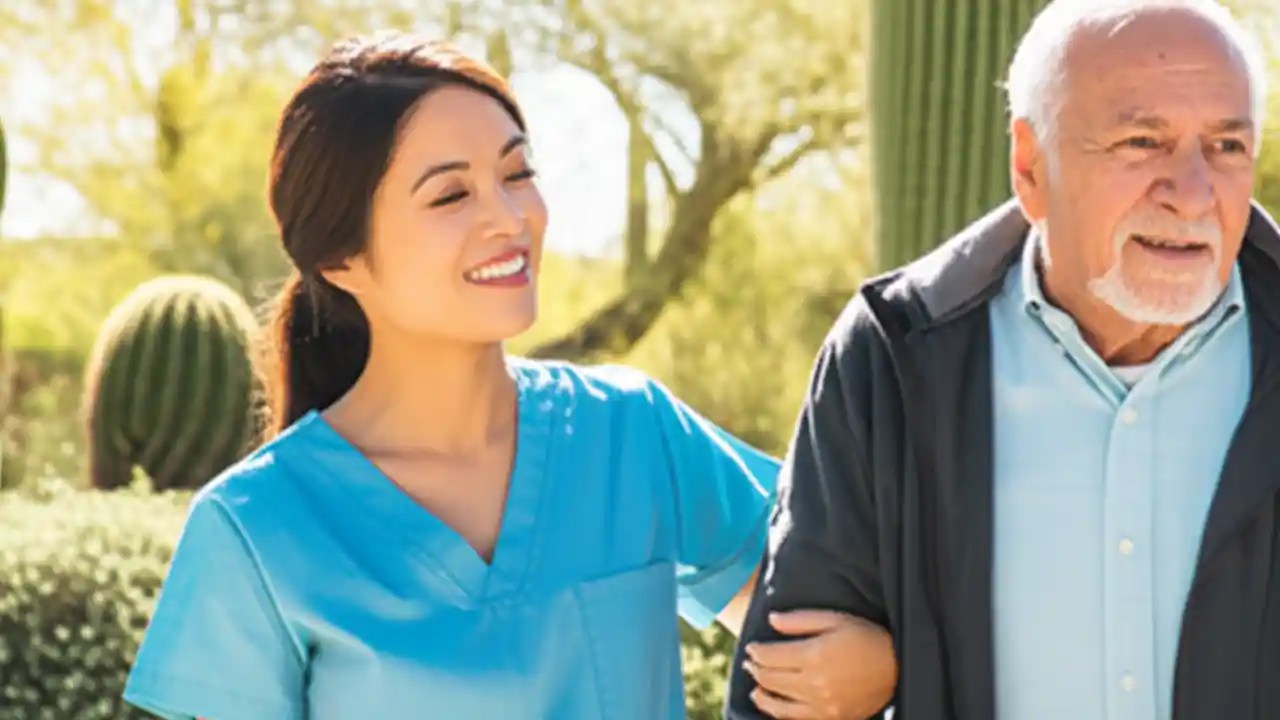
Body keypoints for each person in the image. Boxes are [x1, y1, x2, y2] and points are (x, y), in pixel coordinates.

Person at [120, 33, 896, 720]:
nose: (509, 216)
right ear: (341, 259)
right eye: (451, 194)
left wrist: (881, 667)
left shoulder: (632, 433)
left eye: (517, 172)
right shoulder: (255, 529)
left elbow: (832, 603)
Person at [728, 1, 1280, 718]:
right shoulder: (891, 358)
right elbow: (785, 692)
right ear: (1030, 166)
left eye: (1227, 147)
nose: (1194, 194)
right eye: (1143, 142)